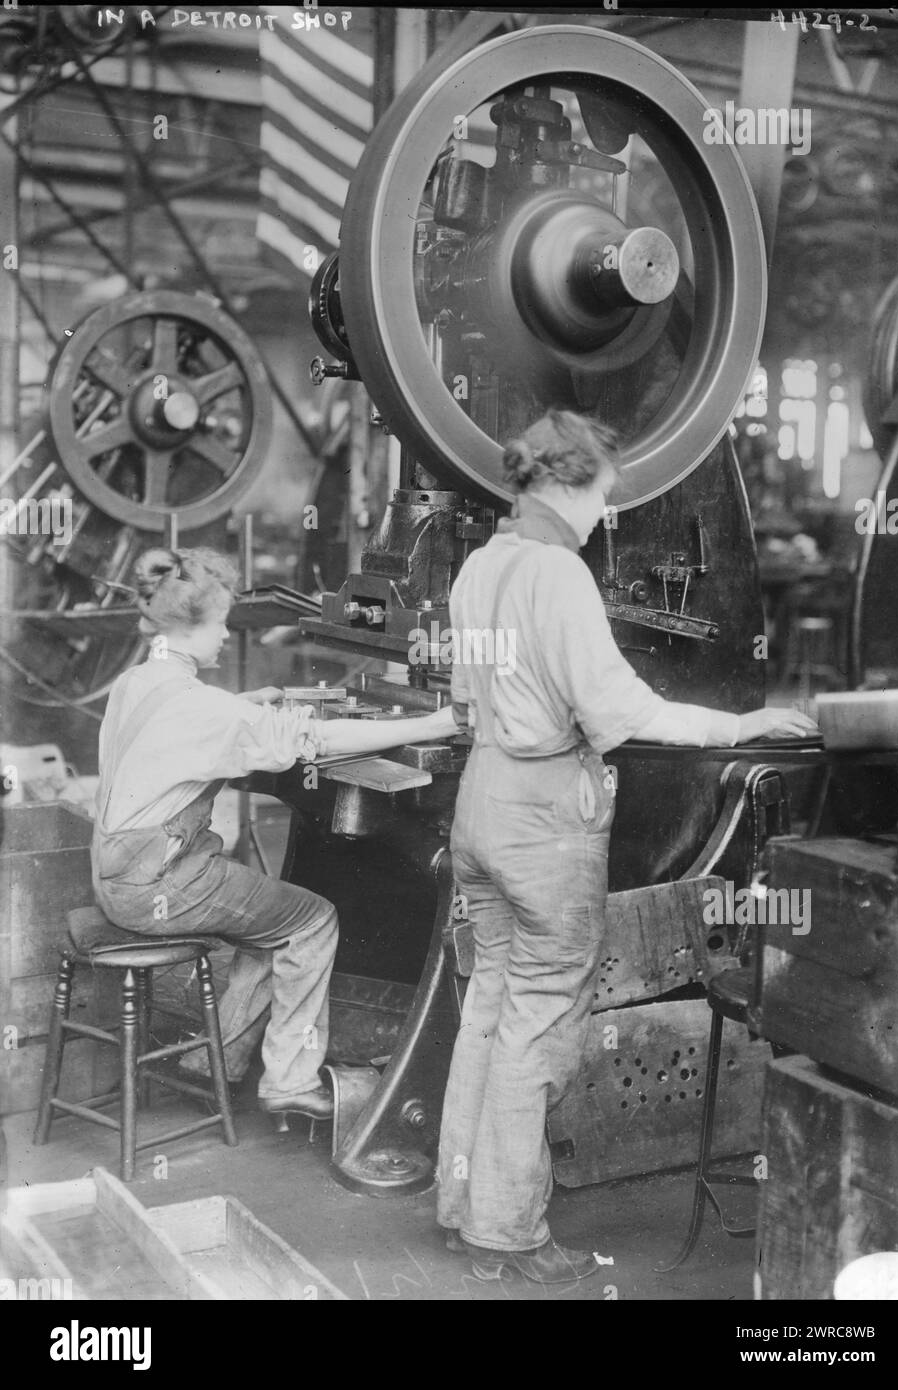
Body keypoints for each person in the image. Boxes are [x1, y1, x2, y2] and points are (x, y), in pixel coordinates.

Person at [436, 409, 817, 1284]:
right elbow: (619, 713)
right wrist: (741, 720)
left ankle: (466, 1207)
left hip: (481, 803)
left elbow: (464, 702)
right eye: (603, 495)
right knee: (539, 1028)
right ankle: (510, 1234)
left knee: (489, 1009)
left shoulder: (478, 568)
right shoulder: (556, 575)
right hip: (540, 817)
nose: (605, 514)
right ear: (568, 483)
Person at [91, 546, 456, 1124]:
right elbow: (318, 741)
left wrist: (245, 707)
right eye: (222, 624)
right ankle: (289, 1080)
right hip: (159, 885)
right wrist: (436, 723)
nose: (224, 637)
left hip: (119, 875)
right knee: (311, 920)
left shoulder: (138, 682)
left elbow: (182, 725)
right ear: (195, 627)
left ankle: (218, 1061)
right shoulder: (207, 710)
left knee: (271, 917)